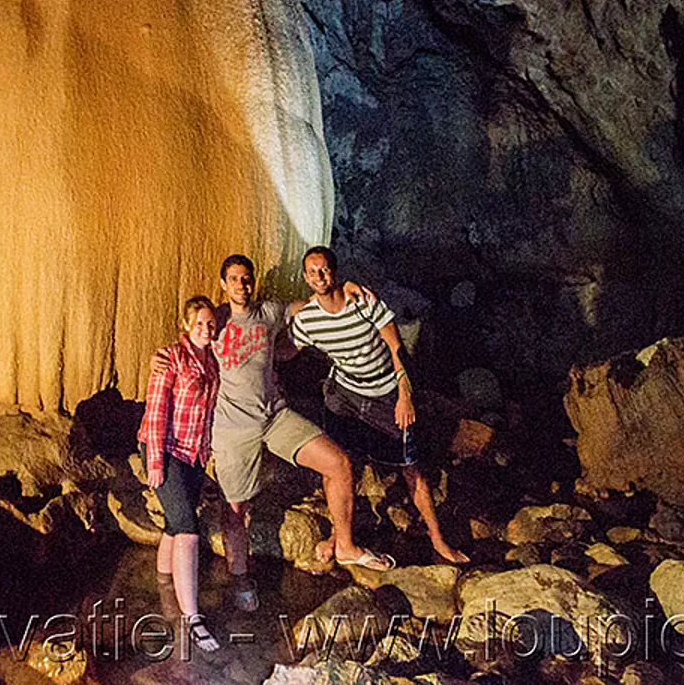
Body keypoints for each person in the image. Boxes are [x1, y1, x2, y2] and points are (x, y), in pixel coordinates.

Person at [158, 254, 394, 613]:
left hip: (275, 416)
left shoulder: (269, 312)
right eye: (234, 279)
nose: (241, 285)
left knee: (338, 463)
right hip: (234, 429)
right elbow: (189, 340)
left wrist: (342, 288)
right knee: (236, 509)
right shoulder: (216, 319)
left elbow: (312, 303)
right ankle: (239, 577)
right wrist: (162, 358)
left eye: (246, 278)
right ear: (223, 284)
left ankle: (345, 546)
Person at [290, 246, 467, 564]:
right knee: (340, 465)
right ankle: (340, 536)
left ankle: (438, 539)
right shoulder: (306, 319)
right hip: (344, 394)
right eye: (313, 271)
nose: (319, 276)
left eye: (325, 269)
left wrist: (404, 394)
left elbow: (397, 346)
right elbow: (284, 350)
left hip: (385, 392)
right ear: (305, 277)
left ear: (336, 271)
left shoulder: (363, 301)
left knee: (411, 467)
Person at [137, 295, 223, 652]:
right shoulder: (170, 357)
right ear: (186, 325)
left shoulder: (213, 362)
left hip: (193, 455)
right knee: (188, 528)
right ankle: (192, 618)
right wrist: (154, 462)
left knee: (174, 523)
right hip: (165, 450)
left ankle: (162, 584)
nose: (205, 329)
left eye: (210, 324)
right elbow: (156, 410)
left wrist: (205, 460)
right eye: (199, 323)